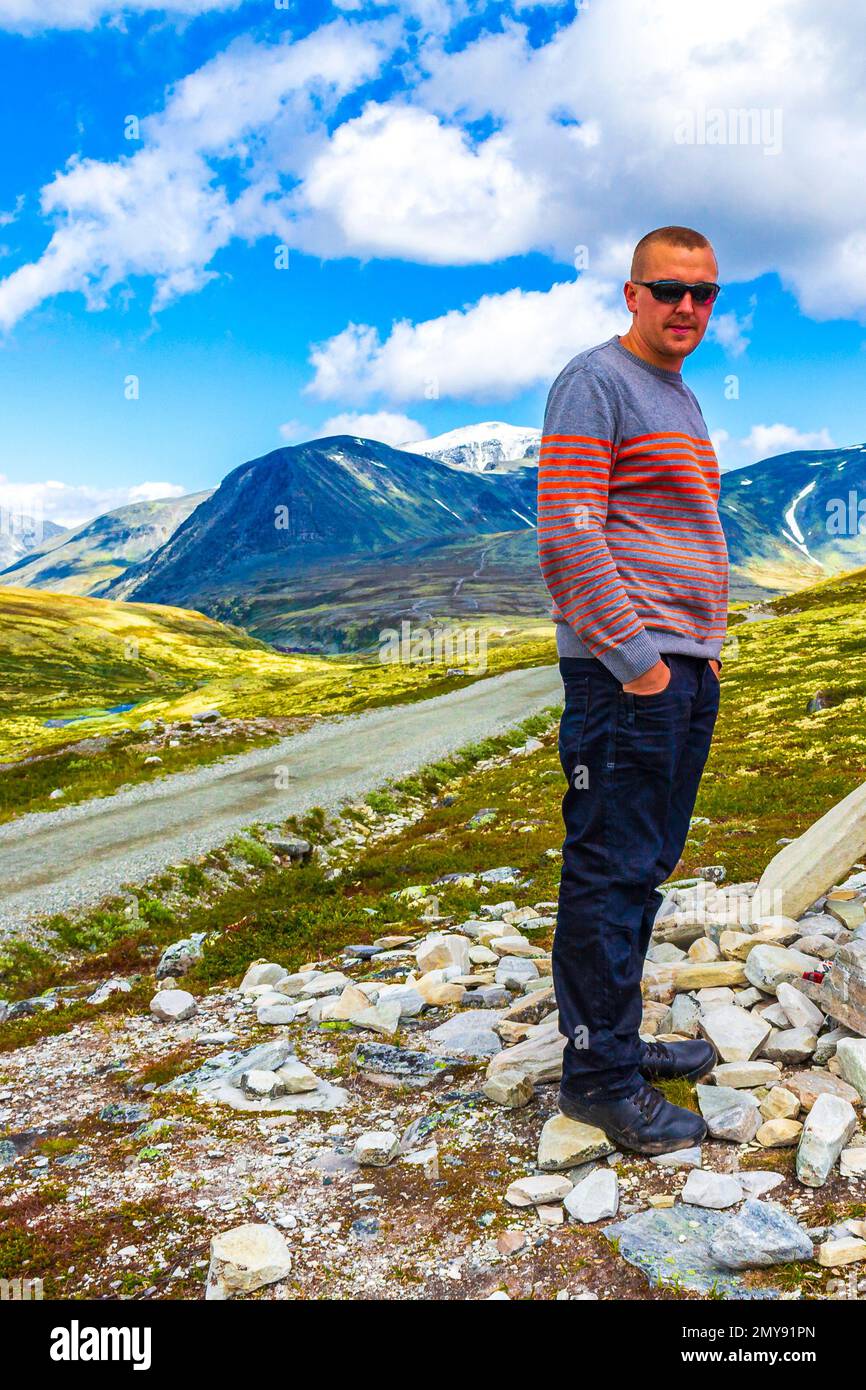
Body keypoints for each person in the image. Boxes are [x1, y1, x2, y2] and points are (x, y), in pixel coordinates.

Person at [536, 225, 729, 1154]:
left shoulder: (678, 394)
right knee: (609, 870)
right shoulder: (596, 381)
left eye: (704, 293)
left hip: (680, 668)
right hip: (628, 679)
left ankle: (614, 1042)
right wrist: (642, 665)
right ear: (632, 294)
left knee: (642, 866)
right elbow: (570, 535)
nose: (686, 307)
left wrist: (700, 656)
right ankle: (599, 1083)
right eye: (668, 289)